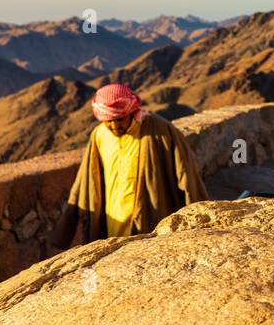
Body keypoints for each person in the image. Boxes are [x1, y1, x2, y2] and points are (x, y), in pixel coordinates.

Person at [52, 83, 207, 248]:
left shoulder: (159, 131)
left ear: (132, 112)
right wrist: (64, 232)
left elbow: (187, 175)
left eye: (119, 119)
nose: (114, 126)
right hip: (112, 224)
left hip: (150, 219)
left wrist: (202, 220)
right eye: (108, 121)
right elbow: (83, 183)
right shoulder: (99, 135)